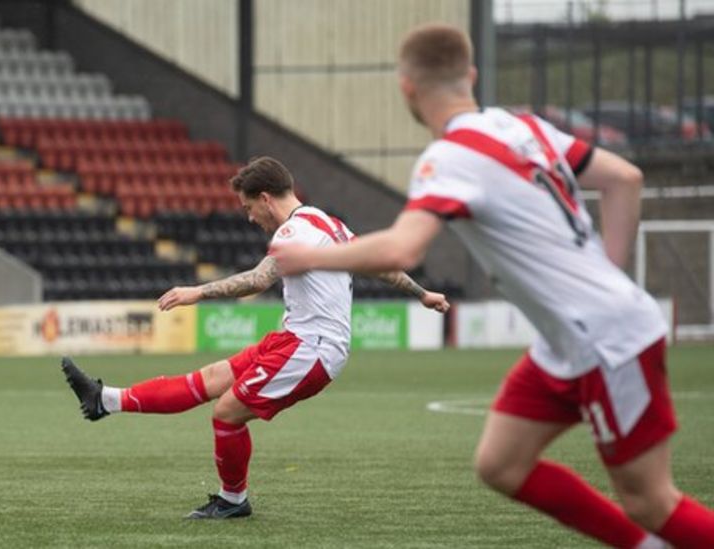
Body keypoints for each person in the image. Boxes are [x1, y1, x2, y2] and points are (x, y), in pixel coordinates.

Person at [272, 23, 714, 548]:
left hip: (607, 340)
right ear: (472, 76)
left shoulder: (449, 159)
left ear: (406, 88)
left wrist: (306, 256)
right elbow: (625, 178)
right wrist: (610, 277)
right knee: (501, 464)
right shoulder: (522, 126)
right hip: (567, 342)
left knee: (650, 500)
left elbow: (401, 250)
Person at [61, 156, 450, 519]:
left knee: (227, 413)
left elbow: (258, 279)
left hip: (312, 350)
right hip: (294, 339)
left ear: (265, 198)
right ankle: (104, 400)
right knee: (211, 379)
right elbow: (379, 264)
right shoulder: (326, 222)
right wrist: (422, 294)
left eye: (249, 208)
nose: (250, 218)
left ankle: (233, 500)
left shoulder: (294, 231)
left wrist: (198, 292)